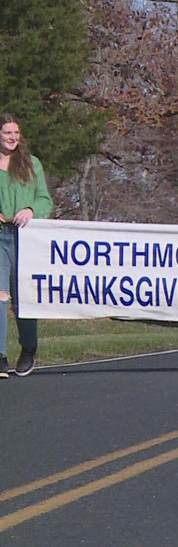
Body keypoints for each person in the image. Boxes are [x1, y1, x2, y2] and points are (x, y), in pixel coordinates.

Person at [0, 115, 53, 378]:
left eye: (15, 132)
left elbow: (45, 199)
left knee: (23, 297)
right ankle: (0, 355)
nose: (11, 137)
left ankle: (29, 348)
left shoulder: (32, 165)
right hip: (0, 237)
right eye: (7, 132)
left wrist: (32, 210)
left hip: (26, 239)